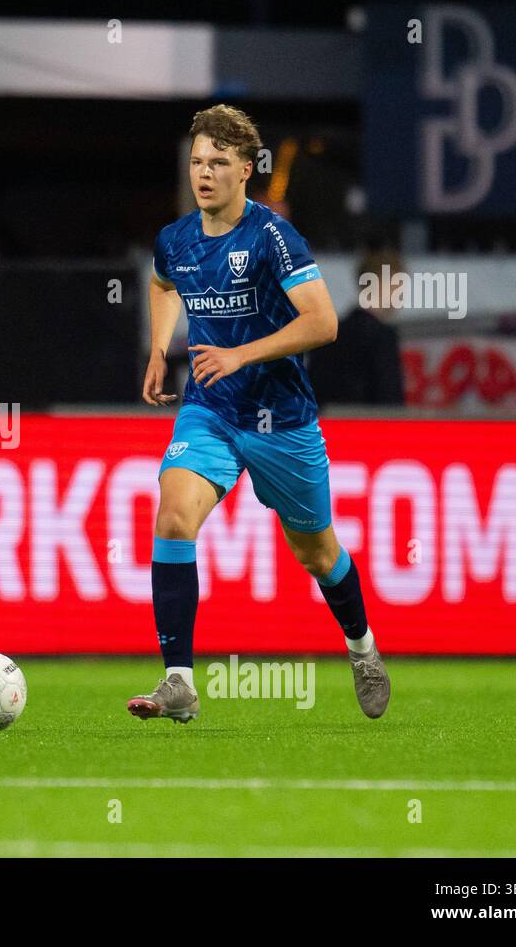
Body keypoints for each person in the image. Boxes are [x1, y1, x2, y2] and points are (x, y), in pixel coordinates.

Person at [131, 104, 390, 724]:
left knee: (317, 554)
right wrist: (160, 348)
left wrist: (239, 354)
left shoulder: (272, 236)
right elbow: (164, 283)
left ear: (247, 170)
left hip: (282, 419)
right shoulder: (177, 239)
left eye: (219, 163)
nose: (205, 173)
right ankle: (179, 681)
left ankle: (362, 647)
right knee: (172, 517)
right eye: (197, 161)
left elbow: (323, 323)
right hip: (210, 411)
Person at [308, 246, 406, 407]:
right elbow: (390, 402)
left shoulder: (327, 334)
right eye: (399, 286)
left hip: (327, 428)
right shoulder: (382, 337)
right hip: (368, 428)